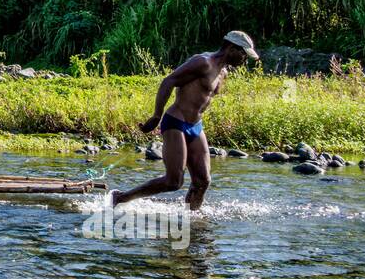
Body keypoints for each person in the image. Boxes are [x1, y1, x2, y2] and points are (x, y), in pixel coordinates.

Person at [109, 31, 260, 210]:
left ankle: (192, 219)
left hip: (195, 126)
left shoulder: (223, 72)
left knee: (203, 181)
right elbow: (169, 81)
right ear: (231, 48)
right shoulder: (203, 62)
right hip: (176, 122)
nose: (244, 59)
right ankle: (120, 198)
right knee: (174, 181)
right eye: (243, 54)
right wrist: (156, 116)